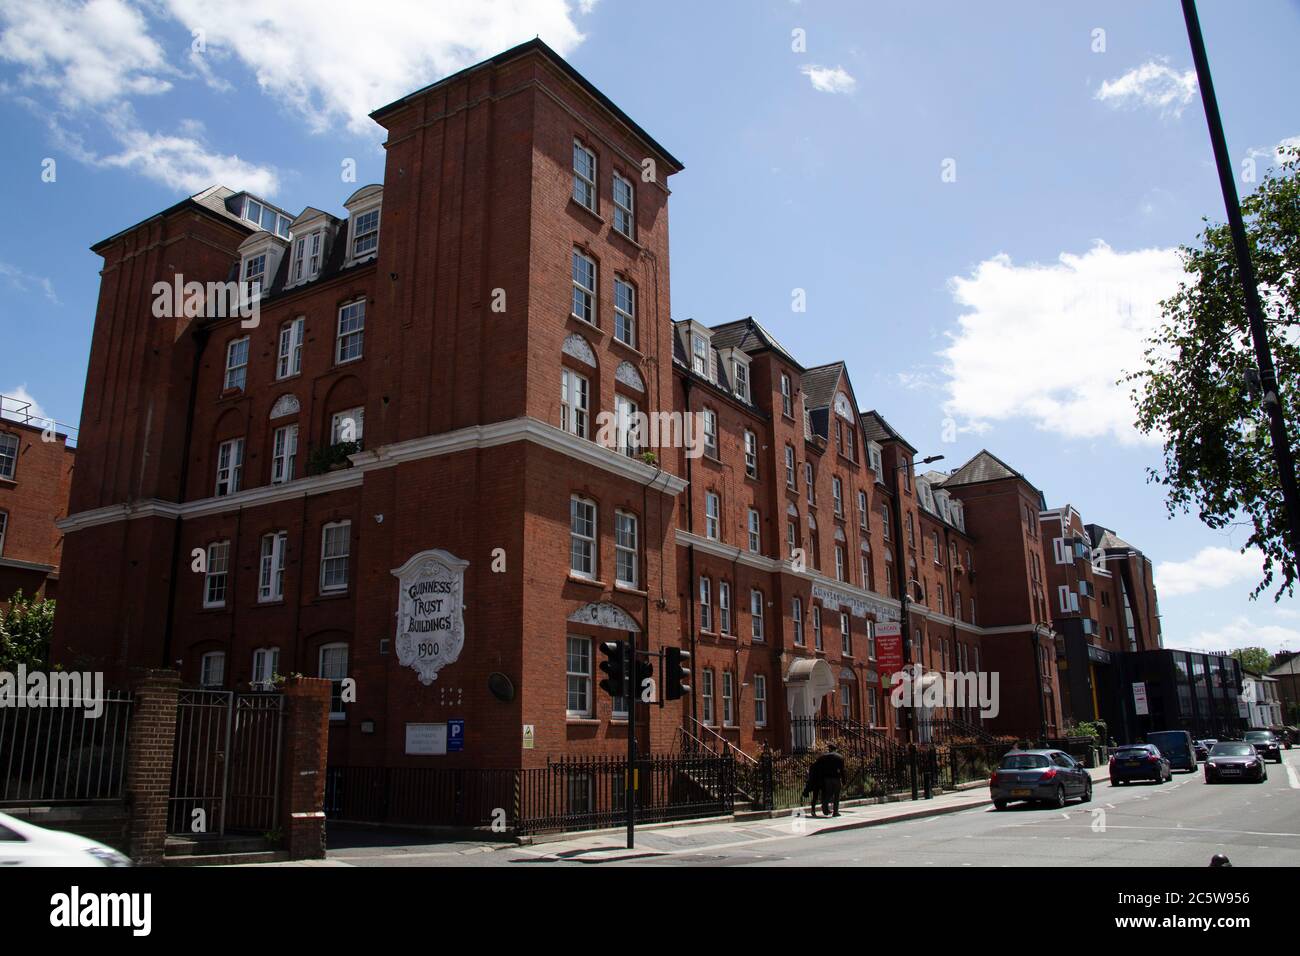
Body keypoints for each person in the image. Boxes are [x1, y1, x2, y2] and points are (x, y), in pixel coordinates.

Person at [810, 744, 847, 817]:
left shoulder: (824, 757)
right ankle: (835, 812)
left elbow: (818, 766)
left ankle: (824, 806)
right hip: (836, 778)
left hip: (827, 778)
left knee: (828, 794)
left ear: (829, 749)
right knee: (836, 795)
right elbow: (842, 770)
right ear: (835, 749)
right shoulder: (840, 757)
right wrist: (843, 780)